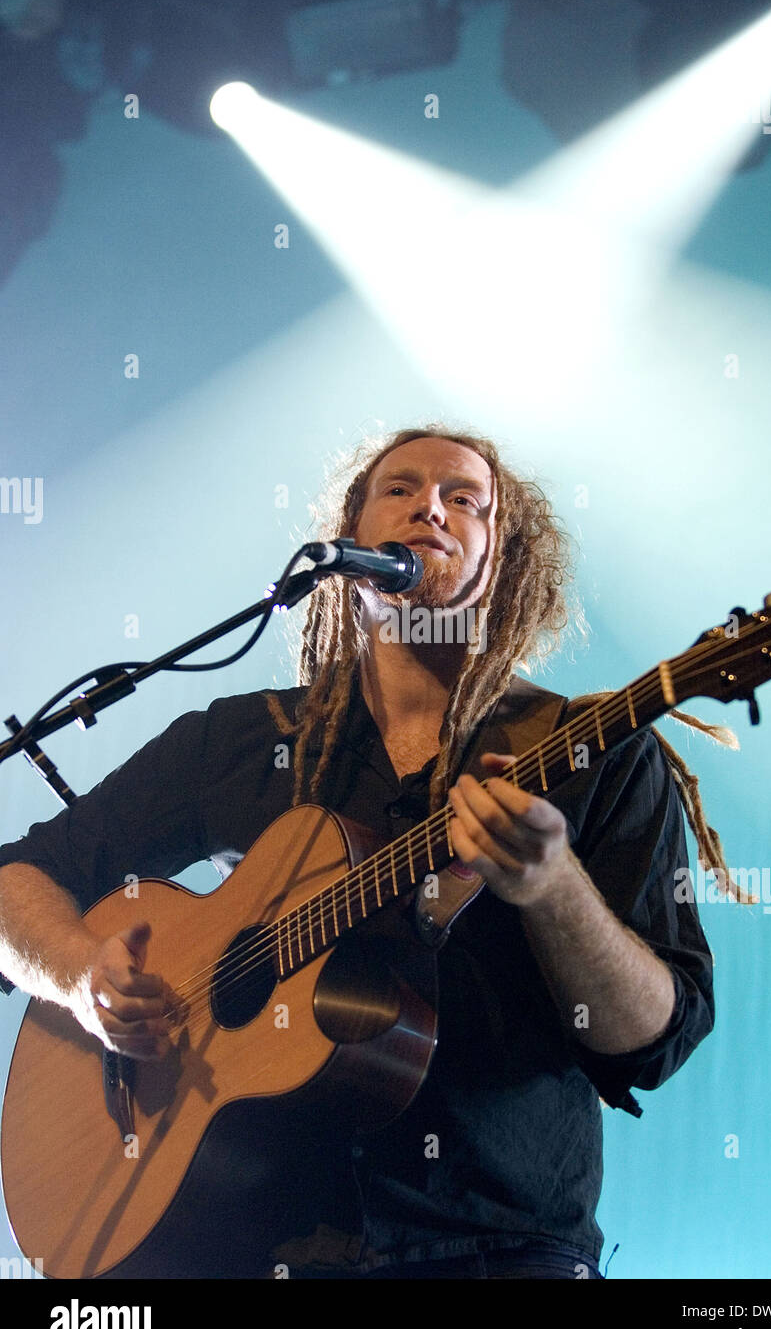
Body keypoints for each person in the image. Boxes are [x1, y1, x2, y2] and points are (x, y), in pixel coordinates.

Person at [0, 425, 728, 1280]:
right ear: (347, 541)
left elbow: (652, 1039)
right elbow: (18, 878)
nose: (431, 507)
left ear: (507, 560)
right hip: (229, 1240)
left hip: (489, 1246)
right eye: (402, 489)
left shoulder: (590, 749)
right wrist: (81, 978)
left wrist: (553, 885)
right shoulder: (247, 737)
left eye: (466, 500)